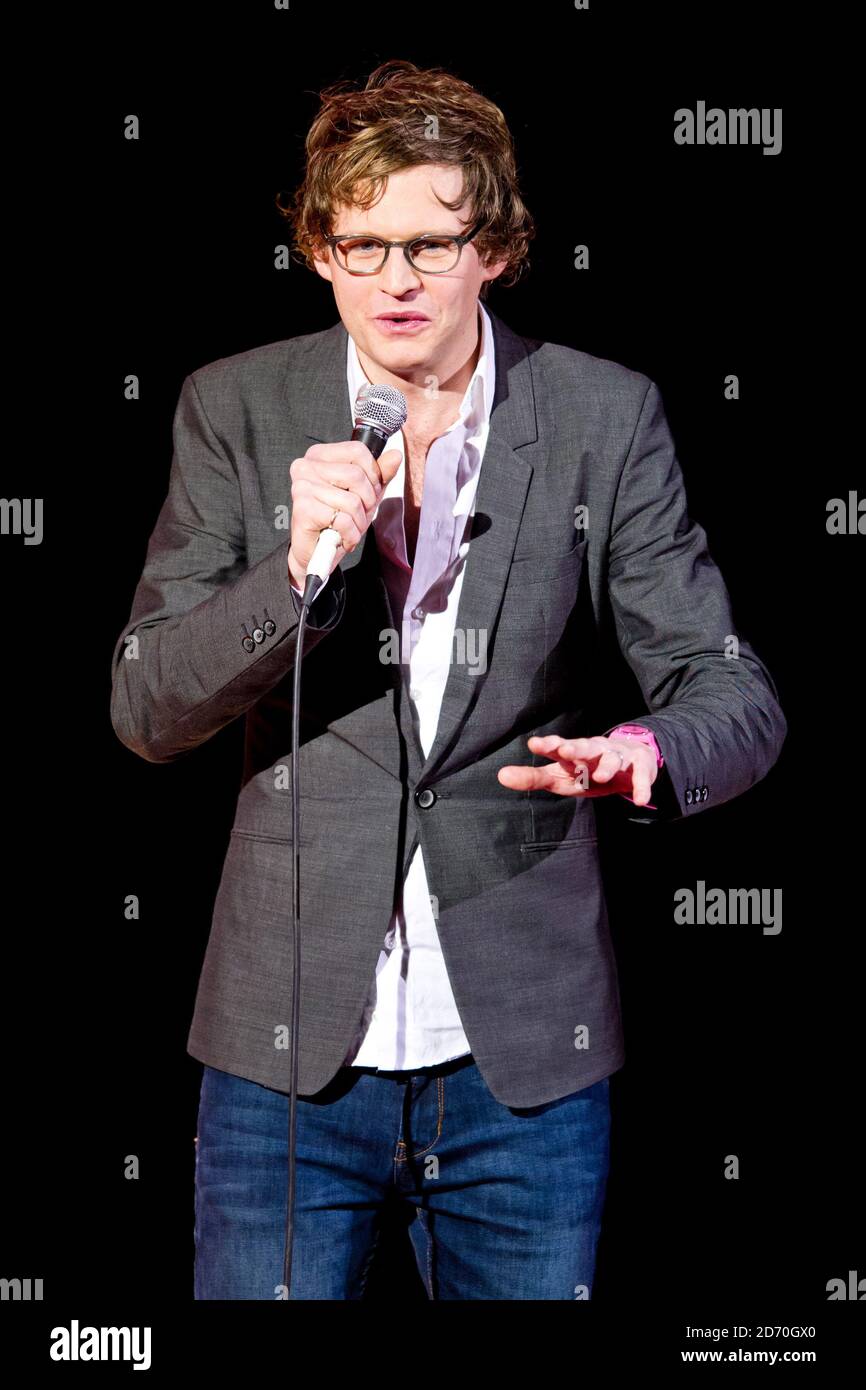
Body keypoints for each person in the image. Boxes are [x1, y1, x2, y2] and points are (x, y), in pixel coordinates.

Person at [109, 59, 787, 1300]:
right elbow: (148, 707)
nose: (395, 281)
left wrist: (647, 748)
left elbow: (730, 691)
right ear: (316, 248)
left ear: (498, 247)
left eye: (430, 242)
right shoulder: (236, 405)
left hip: (520, 1059)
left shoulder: (601, 415)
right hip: (284, 1057)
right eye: (359, 245)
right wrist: (294, 571)